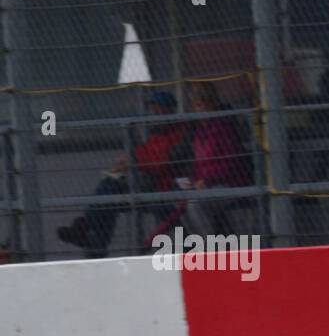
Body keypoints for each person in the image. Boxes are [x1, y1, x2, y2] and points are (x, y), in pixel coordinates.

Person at [57, 91, 185, 257]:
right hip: (145, 180)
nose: (155, 112)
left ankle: (86, 232)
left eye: (158, 108)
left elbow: (161, 163)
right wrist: (127, 161)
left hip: (160, 185)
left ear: (169, 110)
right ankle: (92, 241)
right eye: (154, 109)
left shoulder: (176, 133)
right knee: (108, 196)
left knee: (109, 189)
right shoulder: (157, 133)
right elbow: (145, 152)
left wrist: (133, 161)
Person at [180, 80, 252, 235]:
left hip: (228, 184)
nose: (197, 111)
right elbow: (198, 164)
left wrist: (207, 181)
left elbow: (230, 162)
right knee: (180, 203)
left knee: (195, 205)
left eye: (200, 106)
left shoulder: (224, 127)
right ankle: (209, 242)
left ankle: (211, 248)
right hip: (207, 186)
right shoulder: (200, 131)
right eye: (195, 106)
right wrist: (193, 180)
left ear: (211, 105)